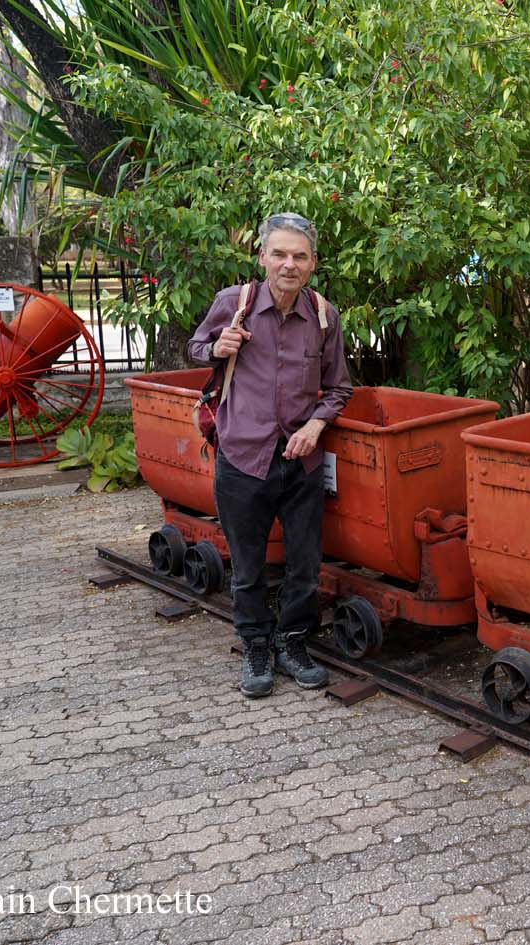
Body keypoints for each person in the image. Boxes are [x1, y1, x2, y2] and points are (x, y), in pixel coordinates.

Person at [188, 213, 353, 698]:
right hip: (242, 455)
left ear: (313, 263)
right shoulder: (233, 304)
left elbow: (339, 388)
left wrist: (316, 425)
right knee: (248, 566)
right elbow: (195, 347)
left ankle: (293, 641)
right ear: (262, 257)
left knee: (304, 564)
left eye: (299, 256)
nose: (289, 264)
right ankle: (256, 645)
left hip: (301, 462)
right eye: (279, 254)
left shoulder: (323, 315)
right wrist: (217, 347)